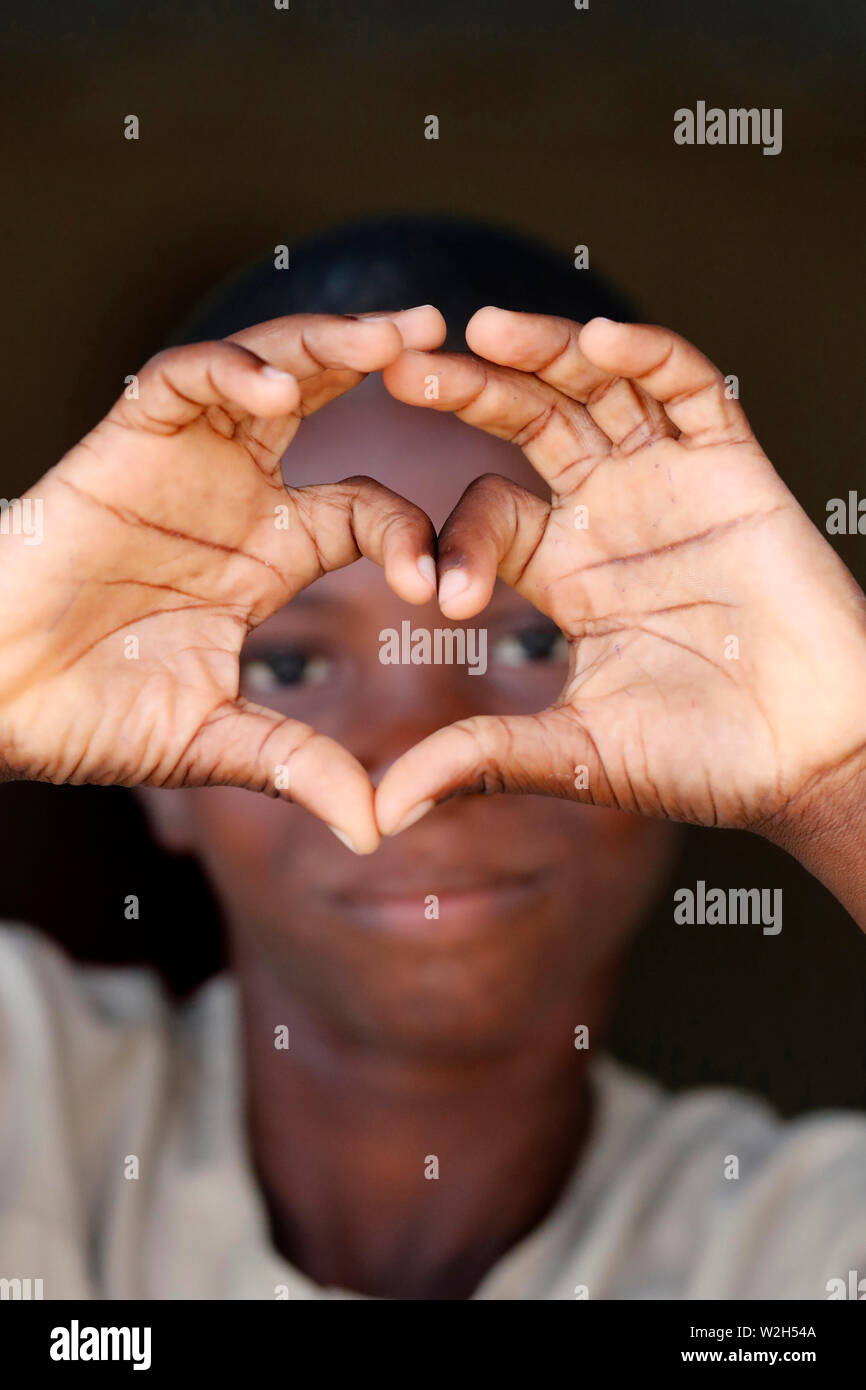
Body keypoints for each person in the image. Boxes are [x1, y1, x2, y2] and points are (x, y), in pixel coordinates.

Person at [0, 215, 864, 1301]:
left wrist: (843, 773)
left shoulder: (798, 1251)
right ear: (151, 781)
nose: (419, 758)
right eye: (289, 664)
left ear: (698, 738)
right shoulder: (27, 1102)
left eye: (533, 641)